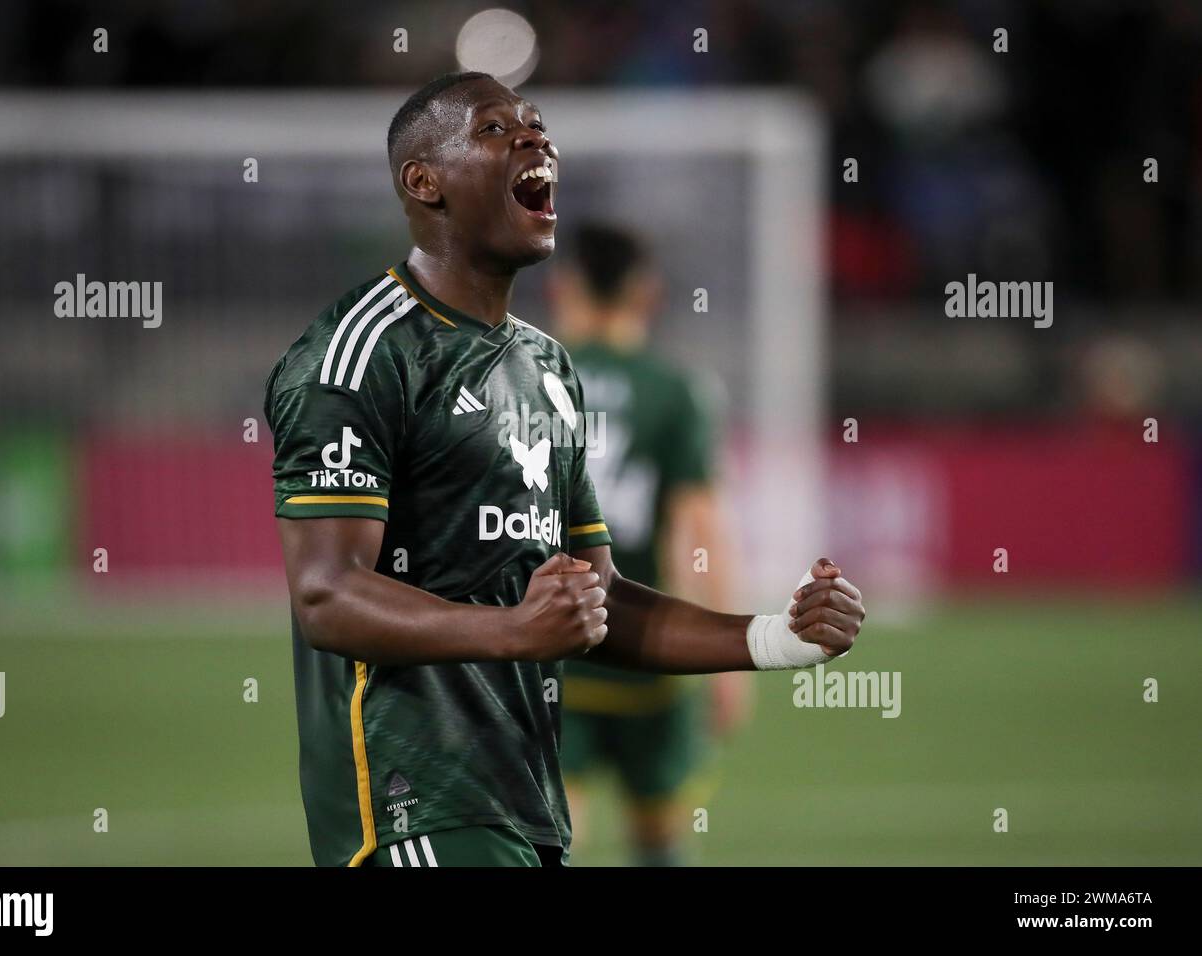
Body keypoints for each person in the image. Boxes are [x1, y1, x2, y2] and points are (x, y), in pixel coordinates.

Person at [265, 72, 865, 867]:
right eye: (494, 129)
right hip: (417, 807)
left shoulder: (547, 366)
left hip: (528, 801)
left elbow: (600, 595)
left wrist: (773, 638)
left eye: (538, 124)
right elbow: (326, 594)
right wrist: (513, 629)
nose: (534, 138)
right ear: (424, 182)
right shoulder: (363, 353)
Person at [549, 222, 750, 866]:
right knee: (660, 837)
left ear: (565, 286)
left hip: (551, 651)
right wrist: (729, 652)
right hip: (650, 652)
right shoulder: (677, 393)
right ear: (648, 292)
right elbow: (703, 532)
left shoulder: (525, 382)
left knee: (548, 837)